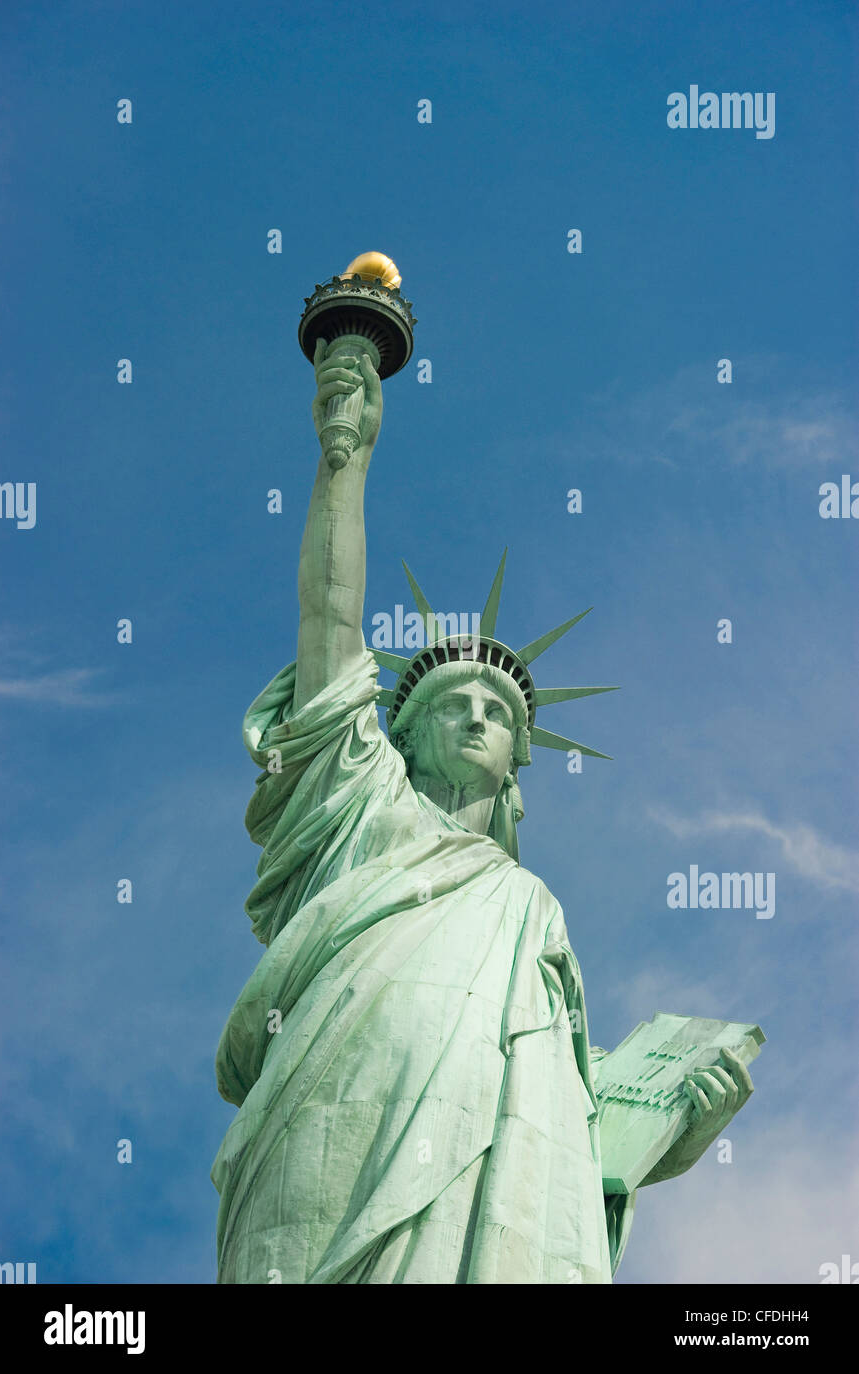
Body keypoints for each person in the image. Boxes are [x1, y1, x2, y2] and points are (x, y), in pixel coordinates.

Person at [211, 341, 753, 1284]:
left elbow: (569, 1125)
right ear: (398, 736)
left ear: (515, 766)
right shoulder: (359, 809)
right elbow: (331, 630)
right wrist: (346, 458)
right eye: (448, 704)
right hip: (336, 1114)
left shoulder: (529, 913)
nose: (474, 714)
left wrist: (674, 1131)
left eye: (495, 713)